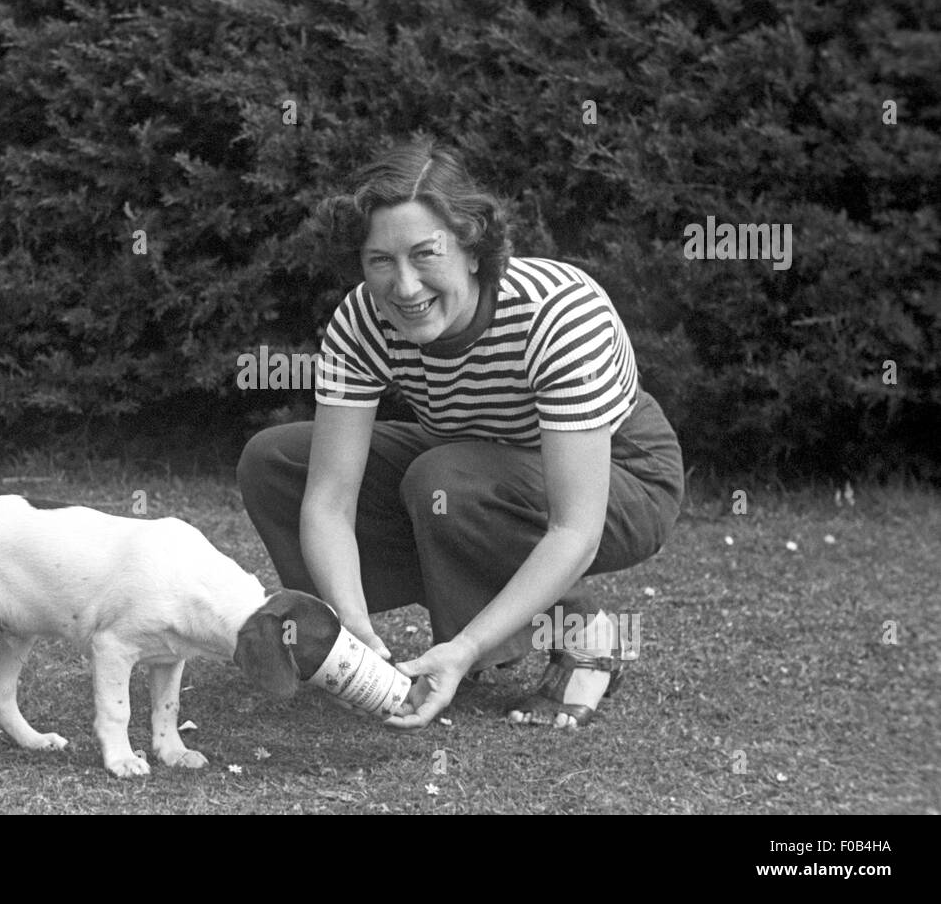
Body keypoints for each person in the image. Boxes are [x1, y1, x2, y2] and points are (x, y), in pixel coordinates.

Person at [237, 137, 684, 730]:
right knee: (277, 461)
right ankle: (400, 631)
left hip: (623, 478)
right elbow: (329, 501)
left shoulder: (559, 313)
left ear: (473, 249)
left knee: (444, 481)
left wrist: (466, 646)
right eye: (380, 261)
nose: (405, 287)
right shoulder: (361, 320)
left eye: (426, 254)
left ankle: (580, 630)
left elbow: (575, 527)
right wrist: (354, 628)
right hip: (473, 460)